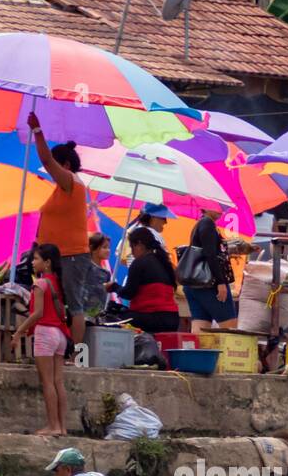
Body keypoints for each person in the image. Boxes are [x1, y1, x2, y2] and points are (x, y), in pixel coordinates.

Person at [29, 113, 97, 348]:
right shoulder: (62, 188)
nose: (50, 171)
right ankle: (61, 349)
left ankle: (77, 357)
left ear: (65, 165)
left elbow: (47, 161)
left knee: (74, 304)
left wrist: (37, 131)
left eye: (56, 167)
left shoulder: (71, 182)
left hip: (72, 255)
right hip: (59, 256)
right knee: (57, 302)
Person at [11, 243, 70, 436]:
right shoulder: (59, 283)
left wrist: (19, 331)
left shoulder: (40, 284)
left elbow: (37, 314)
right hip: (61, 335)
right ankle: (62, 427)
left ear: (47, 262)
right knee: (58, 382)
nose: (33, 262)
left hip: (45, 333)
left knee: (47, 383)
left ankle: (52, 426)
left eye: (36, 259)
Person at [107, 226, 179, 335]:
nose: (132, 252)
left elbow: (128, 293)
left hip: (152, 318)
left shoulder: (140, 263)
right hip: (172, 319)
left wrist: (113, 287)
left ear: (139, 244)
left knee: (113, 319)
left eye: (132, 247)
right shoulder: (164, 263)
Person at [184, 206, 237, 333]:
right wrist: (221, 282)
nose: (221, 210)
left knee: (200, 329)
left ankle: (197, 353)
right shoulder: (207, 224)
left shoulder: (200, 224)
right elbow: (210, 254)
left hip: (194, 284)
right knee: (229, 328)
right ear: (204, 206)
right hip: (209, 283)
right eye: (216, 206)